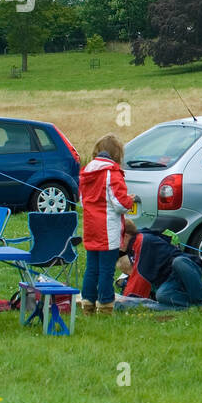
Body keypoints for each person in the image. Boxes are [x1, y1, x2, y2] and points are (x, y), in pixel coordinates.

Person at [80, 134, 135, 313]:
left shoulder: (87, 171)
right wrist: (130, 200)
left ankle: (87, 302)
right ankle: (105, 304)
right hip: (108, 228)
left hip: (90, 227)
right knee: (106, 269)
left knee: (91, 268)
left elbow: (82, 201)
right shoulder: (112, 173)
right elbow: (119, 204)